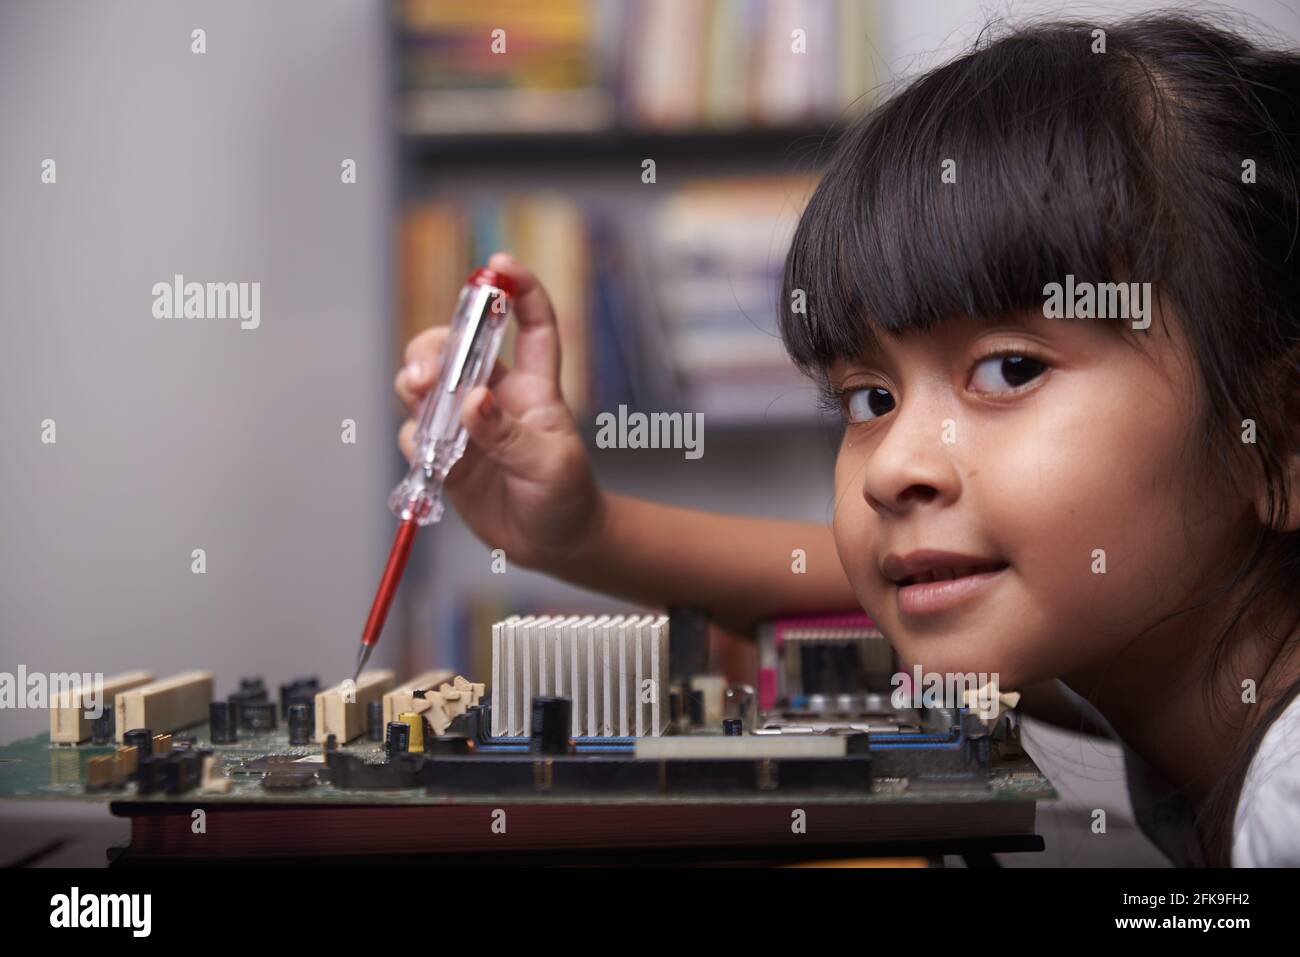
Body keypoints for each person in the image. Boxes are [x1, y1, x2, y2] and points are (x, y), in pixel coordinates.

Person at [395, 14, 1300, 867]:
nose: (896, 467)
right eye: (868, 397)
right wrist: (575, 532)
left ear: (1281, 433)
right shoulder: (1168, 645)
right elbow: (836, 576)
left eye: (1011, 370)